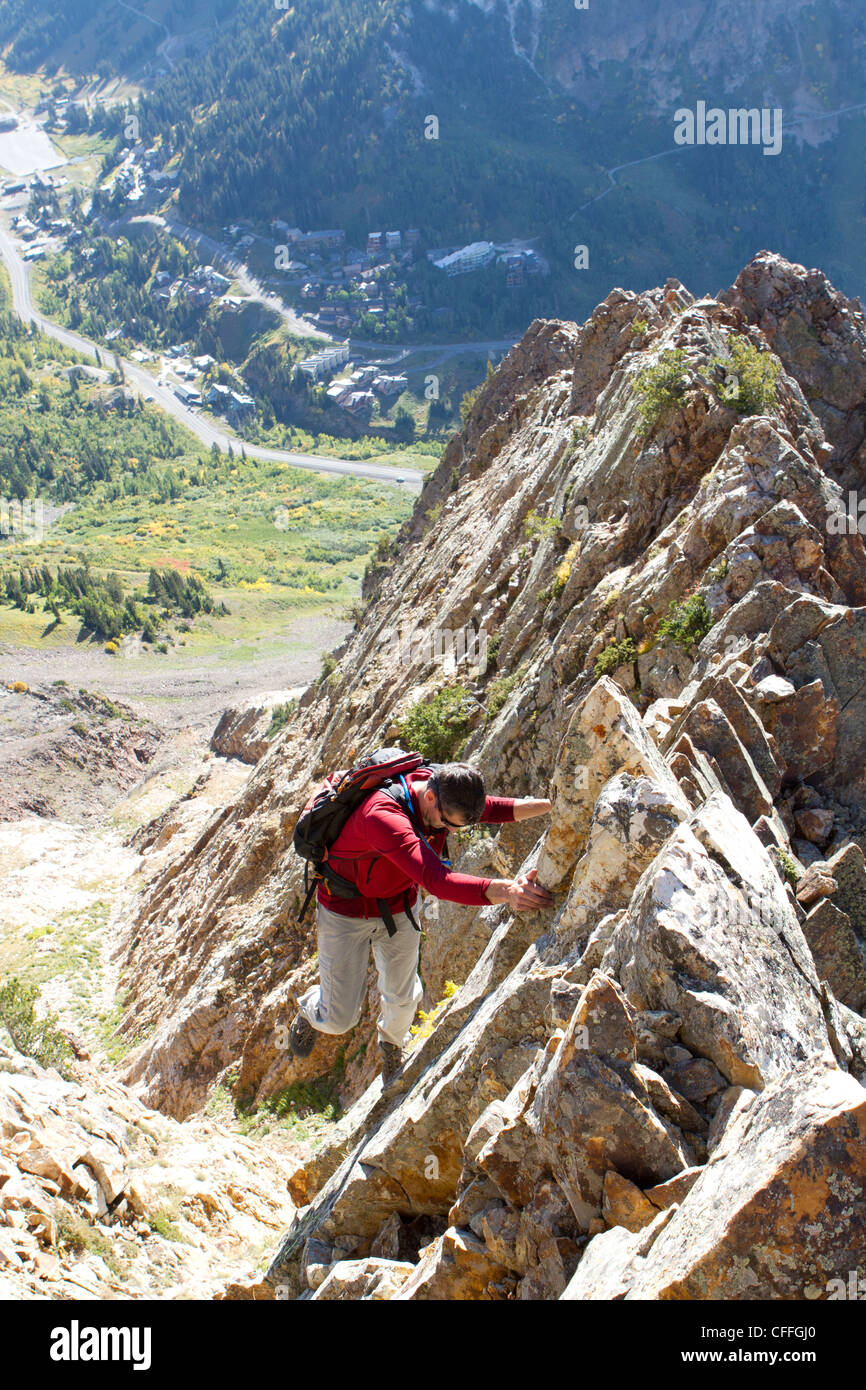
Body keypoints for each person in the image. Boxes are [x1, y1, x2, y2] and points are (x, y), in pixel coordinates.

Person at [289, 761, 554, 1088]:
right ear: (430, 798)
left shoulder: (445, 790)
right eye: (449, 825)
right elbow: (437, 881)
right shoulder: (382, 816)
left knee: (403, 999)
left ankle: (391, 1044)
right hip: (345, 910)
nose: (452, 832)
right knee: (338, 1019)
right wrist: (508, 891)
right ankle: (310, 1010)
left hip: (397, 903)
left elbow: (491, 809)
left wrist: (553, 804)